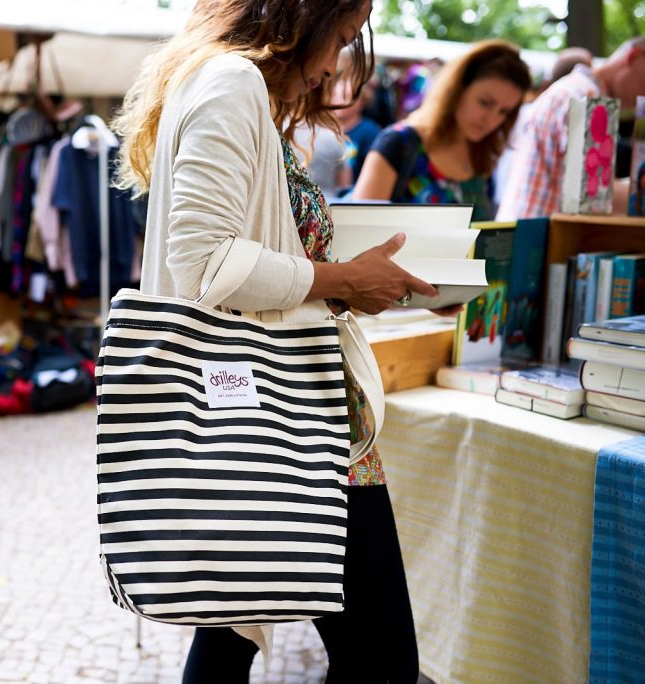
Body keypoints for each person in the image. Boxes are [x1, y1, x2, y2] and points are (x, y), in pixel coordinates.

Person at [113, 1, 449, 680]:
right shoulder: (232, 84)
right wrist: (344, 279)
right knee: (380, 657)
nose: (336, 64)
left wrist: (345, 283)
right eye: (346, 37)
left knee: (234, 624)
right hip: (293, 413)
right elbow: (206, 262)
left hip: (267, 404)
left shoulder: (224, 83)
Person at [352, 40, 531, 220]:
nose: (492, 119)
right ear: (457, 90)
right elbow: (360, 232)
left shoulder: (484, 156)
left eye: (504, 112)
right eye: (485, 103)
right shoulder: (399, 143)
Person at [496, 36, 645, 220]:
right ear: (634, 57)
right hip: (535, 242)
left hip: (525, 237)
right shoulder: (588, 97)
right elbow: (594, 196)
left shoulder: (577, 90)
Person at [332, 70, 381, 184]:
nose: (337, 101)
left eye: (345, 96)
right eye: (335, 95)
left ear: (361, 102)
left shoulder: (370, 132)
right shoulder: (324, 130)